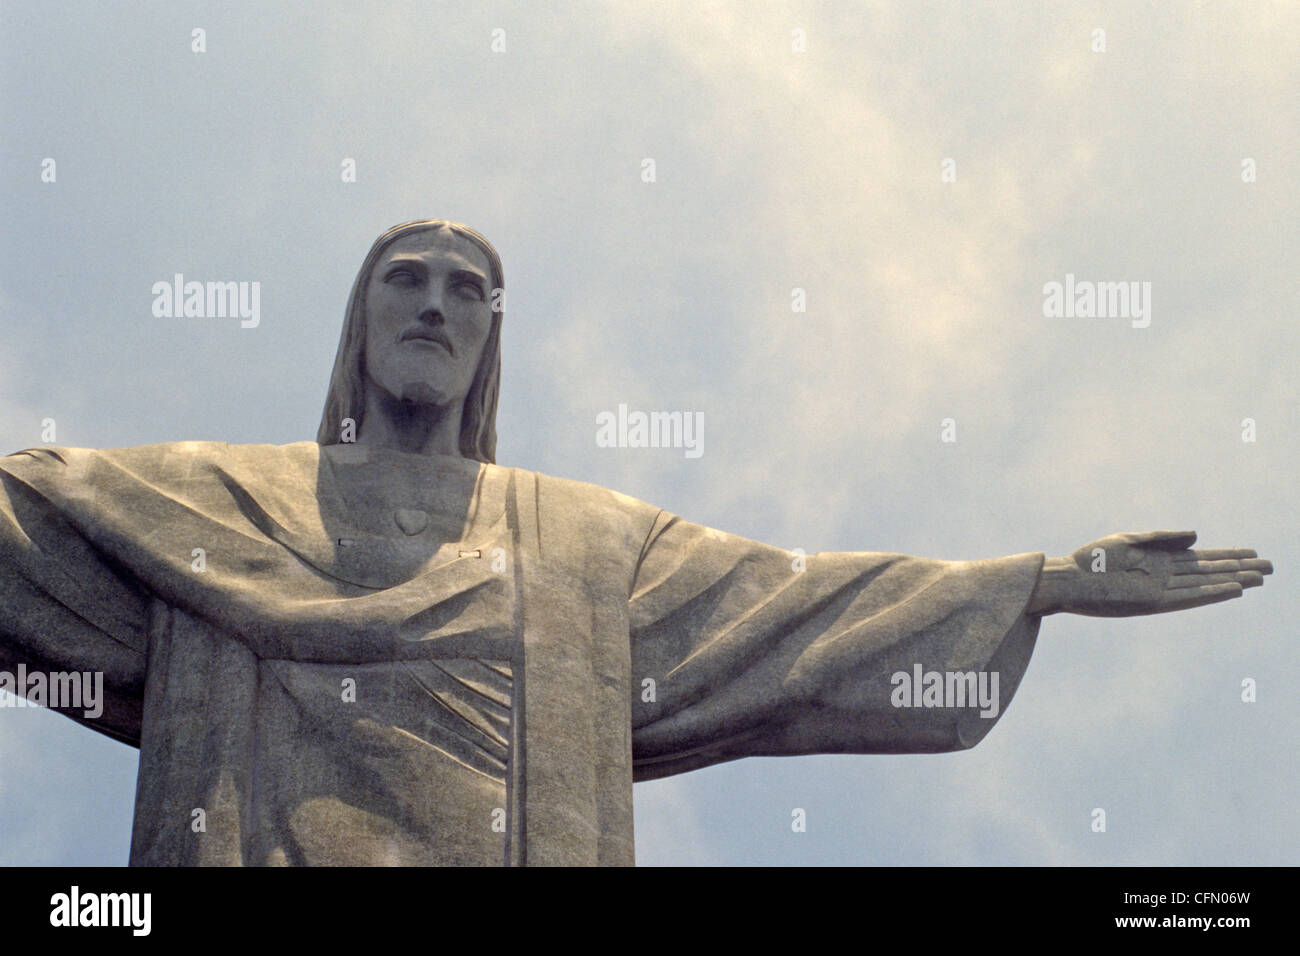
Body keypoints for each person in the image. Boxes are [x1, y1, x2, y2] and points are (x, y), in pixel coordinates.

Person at [0, 219, 1272, 866]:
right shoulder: (216, 494)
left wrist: (1038, 582)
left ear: (490, 338)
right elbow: (27, 513)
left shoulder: (579, 542)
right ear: (360, 320)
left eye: (465, 288)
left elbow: (796, 604)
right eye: (406, 278)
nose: (435, 304)